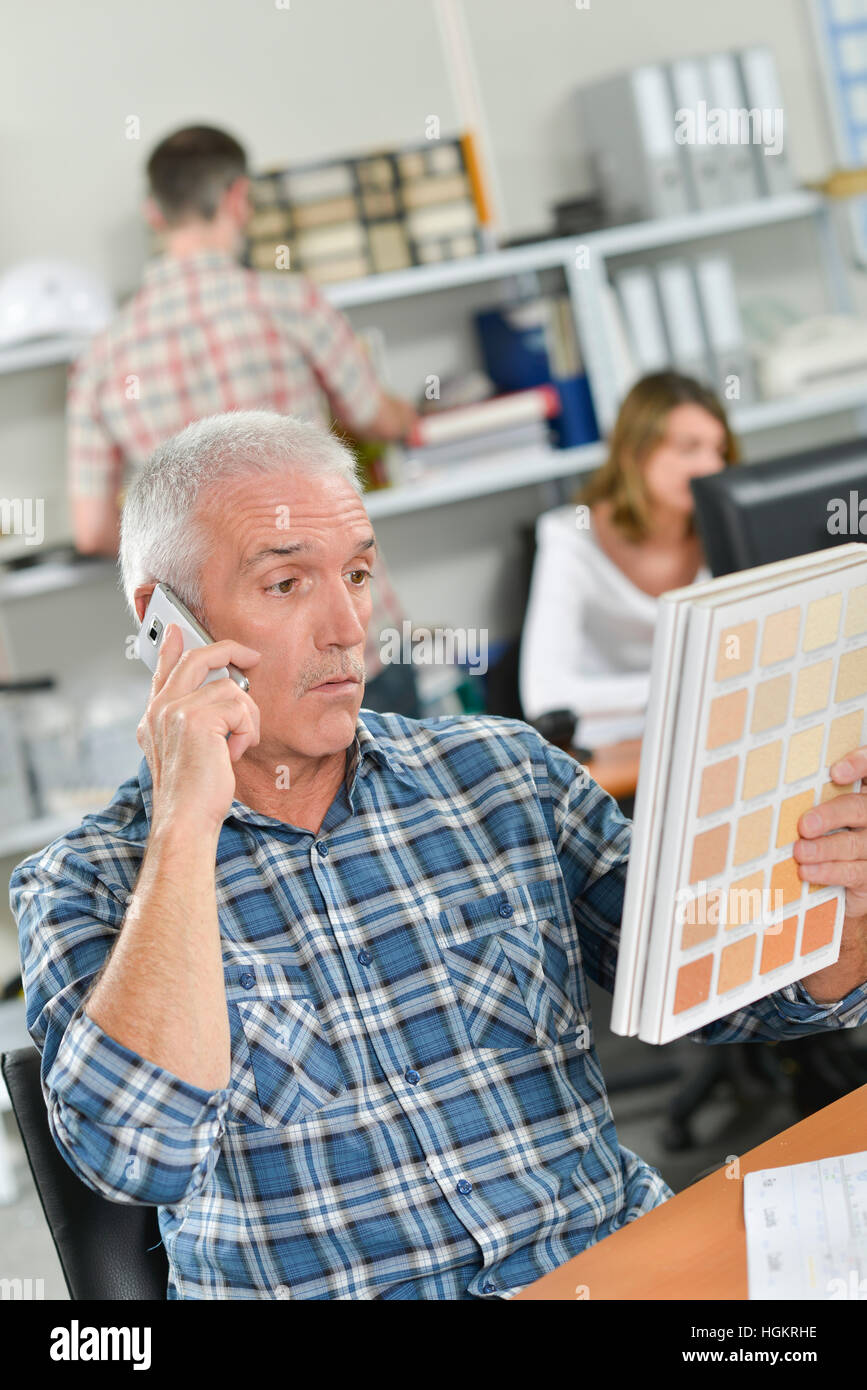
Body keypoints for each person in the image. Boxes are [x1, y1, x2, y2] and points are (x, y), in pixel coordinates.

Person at [11, 410, 867, 1301]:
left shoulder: (500, 775)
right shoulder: (86, 882)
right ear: (165, 625)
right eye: (285, 584)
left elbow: (747, 999)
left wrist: (836, 902)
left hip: (607, 1277)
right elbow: (136, 1156)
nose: (348, 627)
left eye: (356, 573)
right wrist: (185, 826)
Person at [67, 123, 420, 716]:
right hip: (345, 641)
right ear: (238, 199)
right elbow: (373, 416)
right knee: (401, 803)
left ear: (155, 213)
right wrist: (411, 413)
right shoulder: (291, 304)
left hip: (220, 667)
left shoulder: (101, 359)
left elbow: (92, 530)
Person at [519, 371, 739, 750]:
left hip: (709, 740)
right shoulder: (570, 537)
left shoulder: (727, 533)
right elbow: (545, 694)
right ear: (635, 453)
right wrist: (689, 686)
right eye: (689, 448)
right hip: (611, 757)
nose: (710, 467)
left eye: (718, 450)